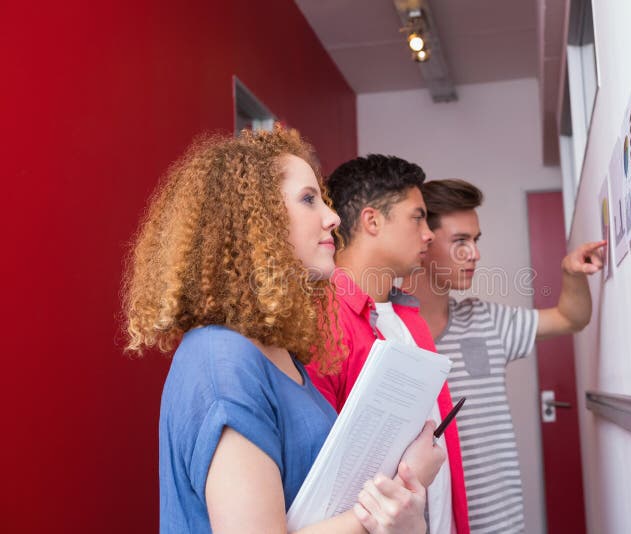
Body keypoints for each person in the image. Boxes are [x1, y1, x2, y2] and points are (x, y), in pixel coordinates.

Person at [121, 128, 444, 534]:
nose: (331, 217)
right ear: (253, 220)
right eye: (309, 200)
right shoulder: (221, 358)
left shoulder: (280, 355)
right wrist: (393, 492)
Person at [402, 179, 605, 533]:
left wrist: (571, 274)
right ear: (424, 242)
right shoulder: (388, 336)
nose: (475, 254)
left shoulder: (487, 321)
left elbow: (571, 318)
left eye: (475, 241)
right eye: (460, 241)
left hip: (503, 525)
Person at [306, 155, 470, 534]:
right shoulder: (322, 322)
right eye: (417, 217)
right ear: (372, 220)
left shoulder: (409, 315)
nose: (428, 234)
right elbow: (326, 481)